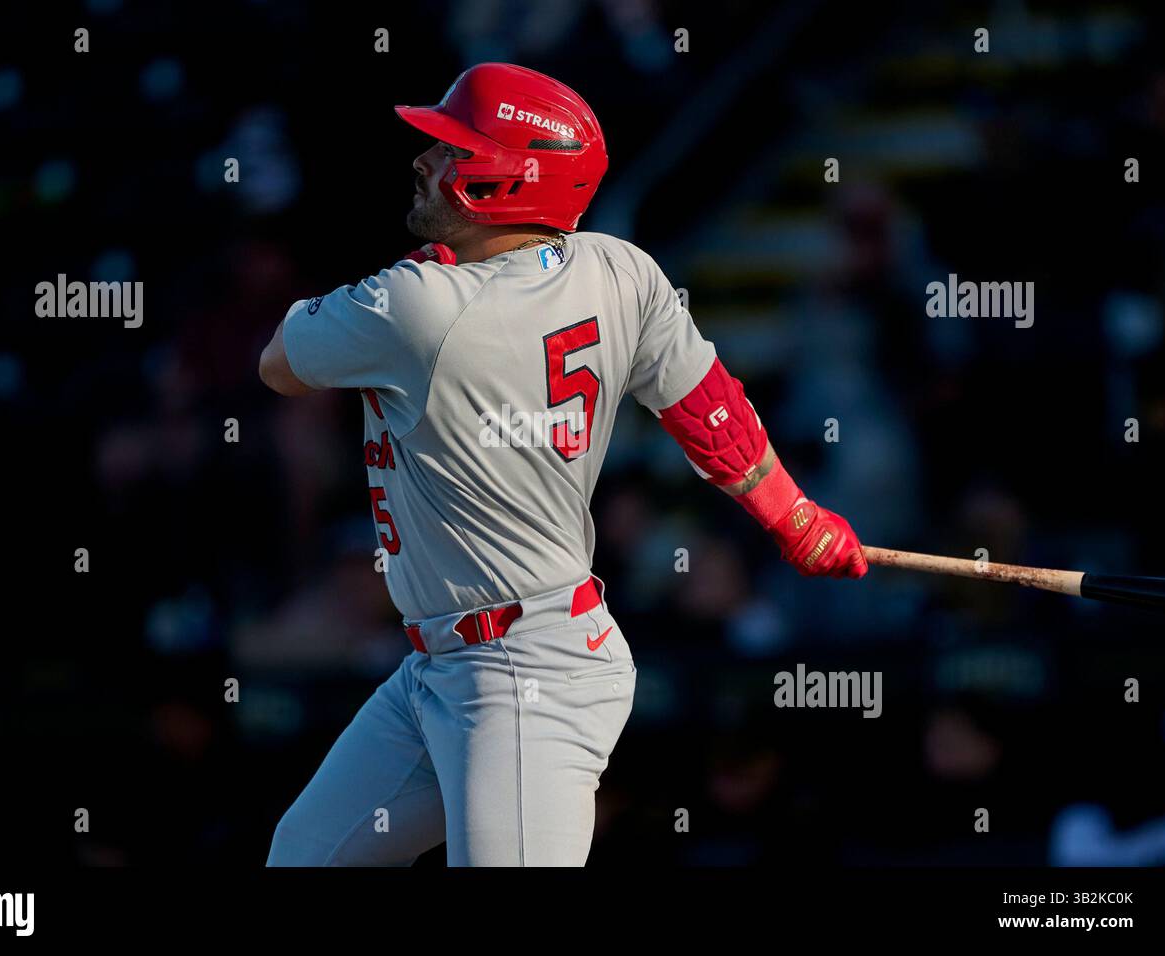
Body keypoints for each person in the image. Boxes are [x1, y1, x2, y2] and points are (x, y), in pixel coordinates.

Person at [259, 62, 867, 866]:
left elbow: (277, 362)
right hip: (449, 664)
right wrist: (795, 516)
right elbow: (709, 413)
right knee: (305, 855)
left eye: (450, 148)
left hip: (523, 673)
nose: (424, 160)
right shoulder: (621, 271)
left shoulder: (417, 304)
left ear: (501, 180)